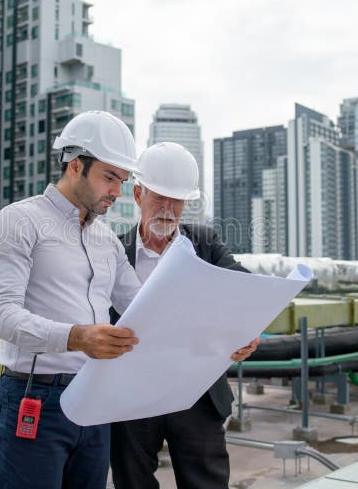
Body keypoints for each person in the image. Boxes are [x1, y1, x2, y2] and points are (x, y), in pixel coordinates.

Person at [0, 110, 142, 489]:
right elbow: (1, 316)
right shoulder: (17, 222)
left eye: (122, 180)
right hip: (34, 396)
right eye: (109, 177)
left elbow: (144, 305)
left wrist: (220, 335)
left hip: (93, 397)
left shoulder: (107, 242)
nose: (117, 191)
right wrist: (78, 337)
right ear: (75, 166)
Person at [110, 142, 259, 489]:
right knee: (132, 483)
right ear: (137, 194)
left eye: (177, 200)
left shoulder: (205, 244)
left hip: (197, 394)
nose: (168, 208)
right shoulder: (113, 251)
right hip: (132, 397)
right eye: (159, 197)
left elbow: (245, 291)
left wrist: (245, 332)